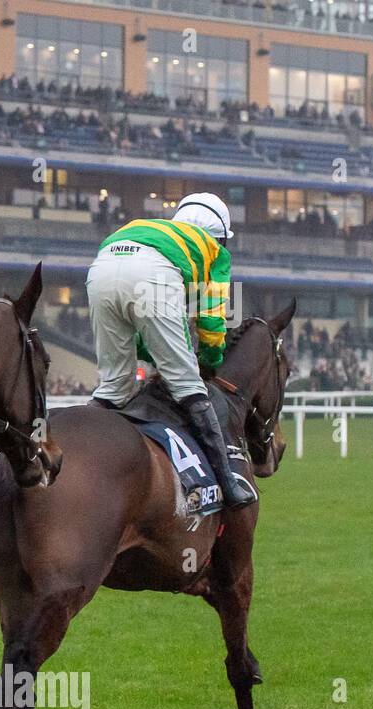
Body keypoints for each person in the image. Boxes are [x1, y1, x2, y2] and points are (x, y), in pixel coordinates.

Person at [85, 192, 257, 508]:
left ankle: (76, 449)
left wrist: (161, 354)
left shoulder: (159, 231)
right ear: (218, 235)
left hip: (101, 268)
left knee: (113, 388)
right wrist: (209, 359)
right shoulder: (212, 250)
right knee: (188, 385)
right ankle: (228, 484)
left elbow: (143, 337)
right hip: (151, 274)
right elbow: (212, 314)